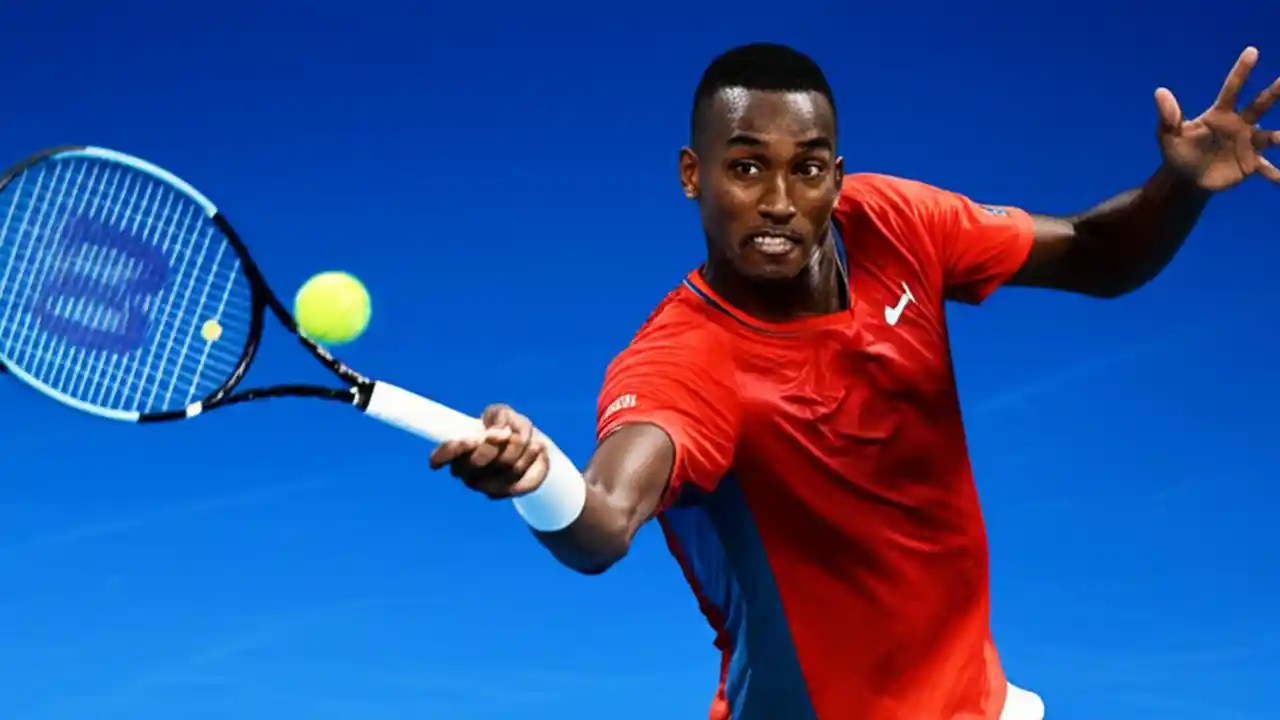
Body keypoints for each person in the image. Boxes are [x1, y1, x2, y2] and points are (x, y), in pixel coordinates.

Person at [428, 43, 1278, 720]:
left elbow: (1096, 255)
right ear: (693, 175)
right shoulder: (685, 361)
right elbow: (604, 523)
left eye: (807, 169)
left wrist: (1181, 187)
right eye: (746, 167)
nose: (778, 200)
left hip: (979, 702)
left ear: (836, 177)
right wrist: (536, 479)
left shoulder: (895, 222)